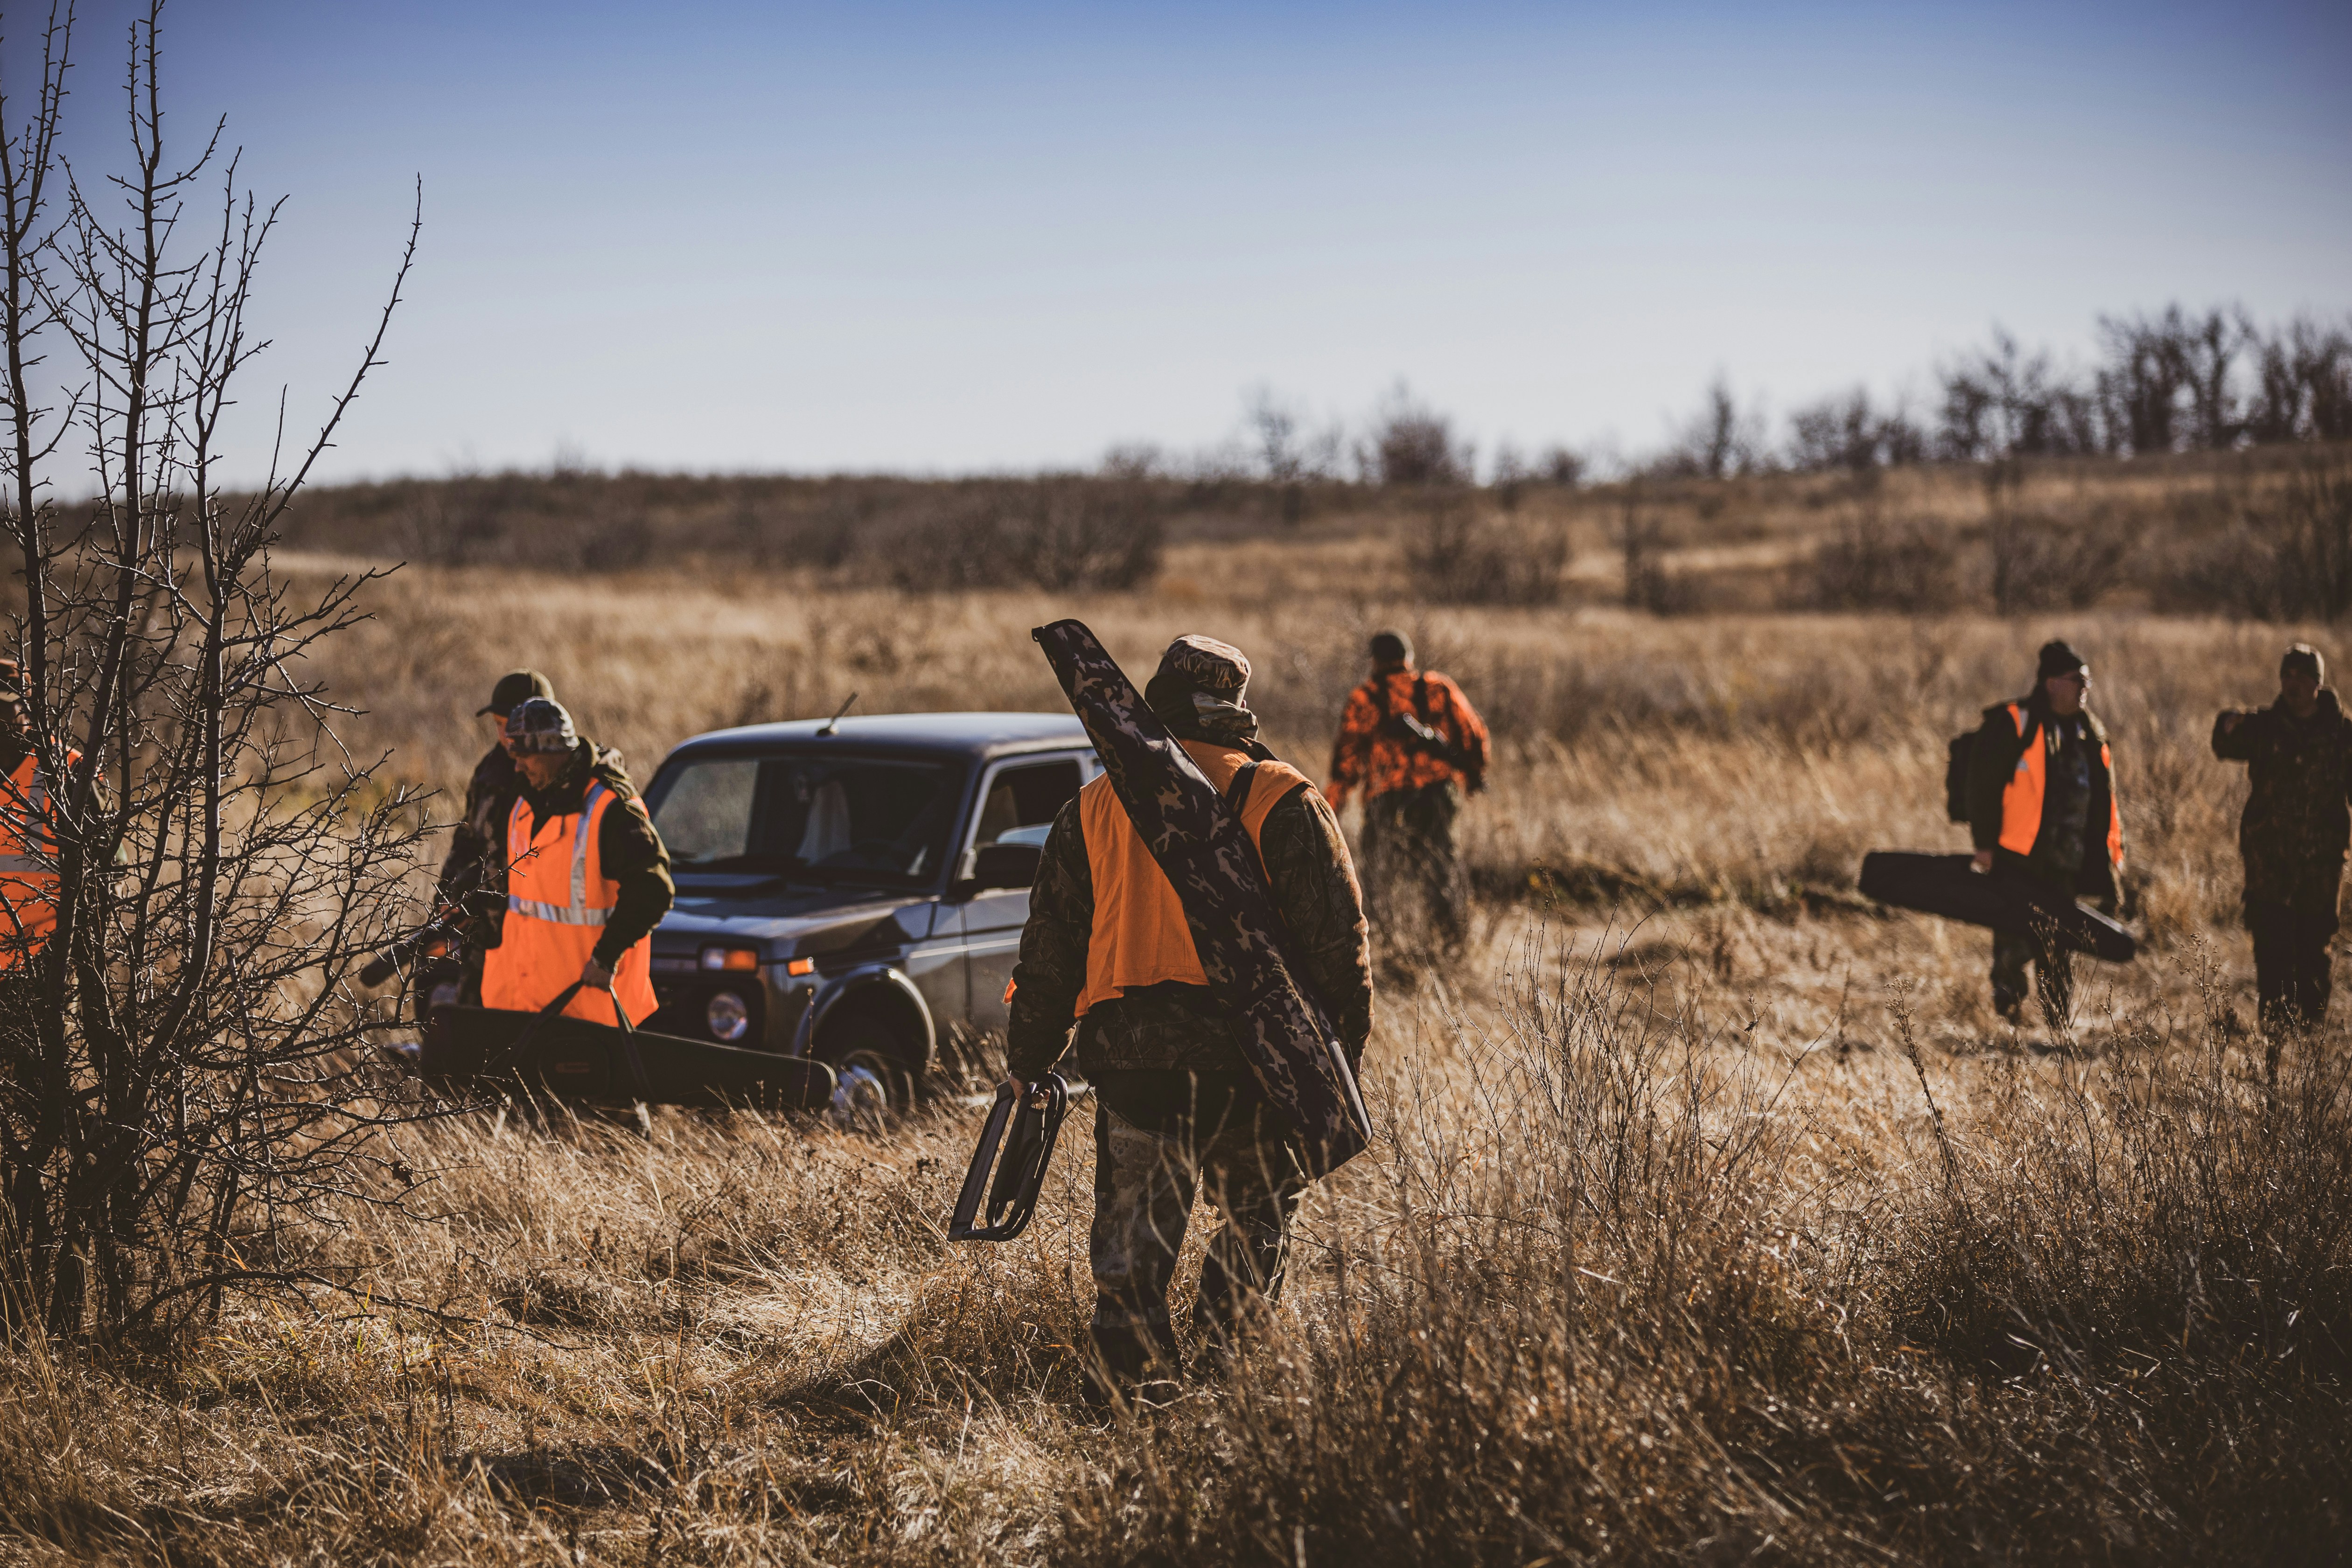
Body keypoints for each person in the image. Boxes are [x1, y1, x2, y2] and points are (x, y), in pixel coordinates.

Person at [1005, 635, 1373, 1406]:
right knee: (1259, 1224)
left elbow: (1048, 952)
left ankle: (1125, 1397)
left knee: (1131, 1258)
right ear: (1237, 709)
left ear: (1156, 700)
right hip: (1256, 1066)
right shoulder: (1284, 796)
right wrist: (1337, 1074)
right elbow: (1343, 951)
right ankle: (1220, 1378)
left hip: (1136, 1066)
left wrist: (1031, 1054)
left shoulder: (1096, 805)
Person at [479, 697, 673, 1027]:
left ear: (555, 751)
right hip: (520, 1009)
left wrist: (605, 957)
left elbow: (653, 889)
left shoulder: (611, 808)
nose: (517, 766)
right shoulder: (522, 798)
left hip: (587, 1015)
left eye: (524, 755)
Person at [1964, 640, 2124, 1030]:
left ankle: (2057, 1028)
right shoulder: (2014, 721)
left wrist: (2112, 858)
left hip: (2065, 862)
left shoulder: (2090, 733)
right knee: (2011, 942)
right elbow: (1980, 788)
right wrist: (1984, 846)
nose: (2085, 687)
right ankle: (2010, 1024)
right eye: (2077, 680)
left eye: (2087, 680)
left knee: (2058, 946)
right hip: (2017, 856)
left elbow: (2107, 802)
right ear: (2052, 683)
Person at [2212, 643, 2352, 1056]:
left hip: (2320, 865)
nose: (2292, 684)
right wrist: (2227, 723)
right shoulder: (2264, 726)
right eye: (2286, 676)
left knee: (2313, 947)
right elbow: (2222, 745)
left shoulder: (2342, 734)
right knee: (2271, 948)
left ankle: (2308, 1035)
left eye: (2302, 676)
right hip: (2267, 863)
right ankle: (2274, 1035)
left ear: (2318, 683)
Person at [1325, 630, 1490, 959]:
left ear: (1374, 660)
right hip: (1436, 793)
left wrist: (1332, 807)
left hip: (1385, 797)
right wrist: (1473, 774)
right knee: (1441, 864)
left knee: (1378, 870)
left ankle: (1376, 942)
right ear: (1409, 658)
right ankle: (1452, 943)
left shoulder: (1364, 697)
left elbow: (1346, 760)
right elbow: (1473, 734)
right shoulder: (1437, 688)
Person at [437, 670, 554, 1002]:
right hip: (484, 930)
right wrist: (449, 894)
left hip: (536, 935)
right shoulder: (489, 770)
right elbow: (468, 837)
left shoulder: (556, 775)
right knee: (473, 1022)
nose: (504, 733)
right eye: (499, 724)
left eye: (511, 723)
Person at [0, 659, 74, 974]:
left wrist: (72, 947)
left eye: (4, 707)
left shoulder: (66, 769)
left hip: (44, 961)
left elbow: (110, 862)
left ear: (25, 708)